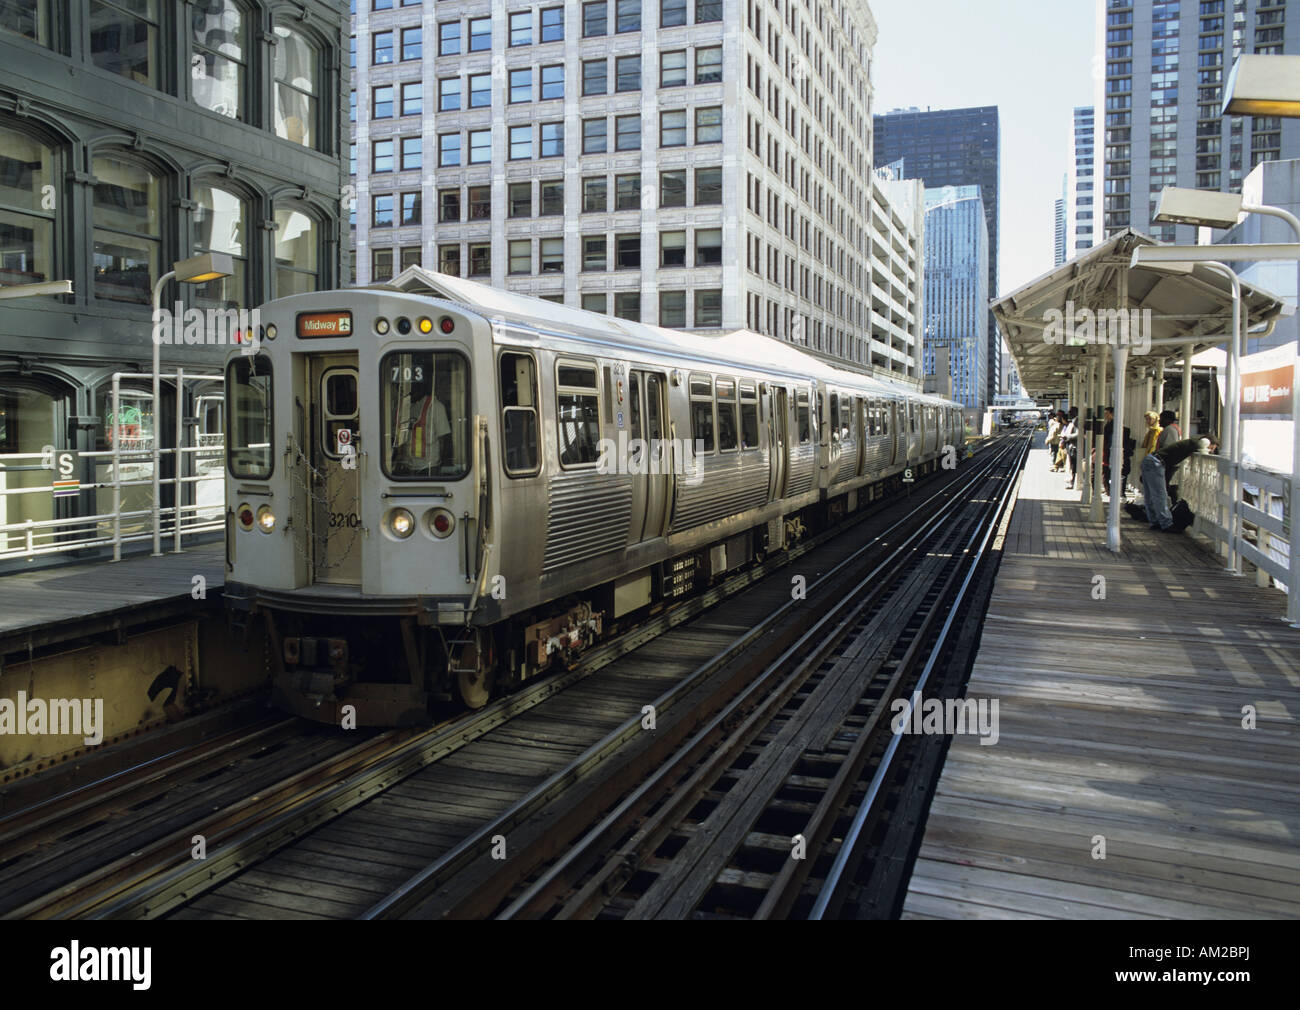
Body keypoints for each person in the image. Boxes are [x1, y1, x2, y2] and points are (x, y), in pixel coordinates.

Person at [1141, 434, 1217, 531]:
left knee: (1150, 495)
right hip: (1156, 463)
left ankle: (1154, 521)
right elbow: (1203, 448)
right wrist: (1206, 449)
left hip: (1151, 460)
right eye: (1212, 447)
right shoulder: (1196, 443)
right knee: (1159, 495)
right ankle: (1166, 524)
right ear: (1209, 442)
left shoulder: (1191, 443)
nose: (1211, 450)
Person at [1060, 409, 1080, 489]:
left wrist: (1067, 437)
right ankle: (1072, 481)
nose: (1069, 415)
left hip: (1074, 447)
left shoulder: (1076, 421)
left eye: (1071, 413)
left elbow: (1078, 434)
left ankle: (1073, 482)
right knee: (1072, 465)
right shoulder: (1073, 421)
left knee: (1073, 465)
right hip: (1071, 447)